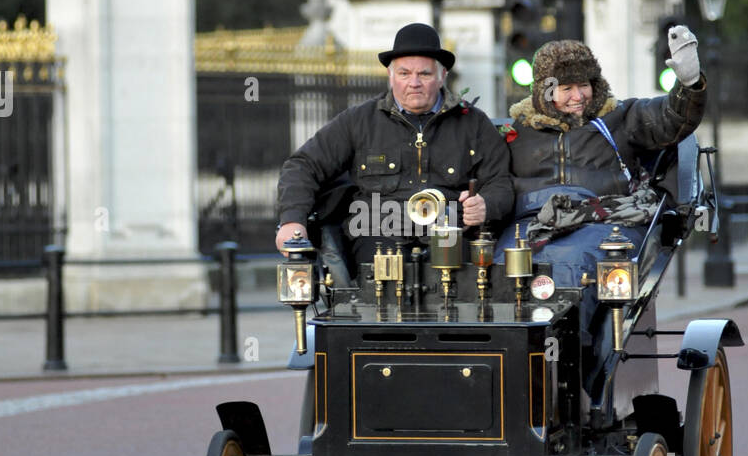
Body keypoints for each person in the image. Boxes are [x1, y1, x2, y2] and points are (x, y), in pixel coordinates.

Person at [500, 26, 707, 376]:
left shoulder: (621, 117)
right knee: (499, 268)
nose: (578, 96)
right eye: (566, 88)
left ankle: (572, 364)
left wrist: (690, 84)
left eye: (585, 85)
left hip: (605, 222)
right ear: (544, 90)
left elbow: (672, 120)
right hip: (533, 224)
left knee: (575, 266)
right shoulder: (513, 134)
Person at [275, 23, 514, 269]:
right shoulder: (358, 121)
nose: (414, 82)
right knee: (377, 291)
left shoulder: (473, 123)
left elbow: (501, 182)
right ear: (390, 76)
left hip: (452, 238)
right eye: (404, 73)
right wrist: (293, 221)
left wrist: (486, 204)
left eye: (424, 74)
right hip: (377, 238)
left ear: (442, 76)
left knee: (462, 290)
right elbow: (303, 165)